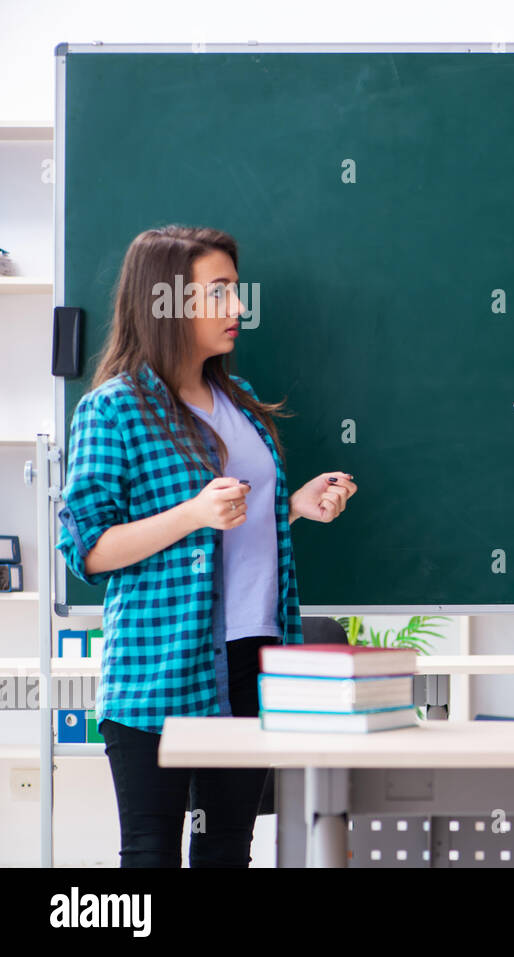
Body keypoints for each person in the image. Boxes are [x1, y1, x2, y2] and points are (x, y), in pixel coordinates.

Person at [56, 225, 359, 866]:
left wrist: (293, 507)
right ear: (166, 302)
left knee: (228, 849)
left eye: (237, 291)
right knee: (151, 853)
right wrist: (191, 513)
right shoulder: (114, 409)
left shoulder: (240, 400)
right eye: (219, 292)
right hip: (160, 665)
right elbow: (86, 552)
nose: (238, 308)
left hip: (255, 653)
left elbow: (239, 528)